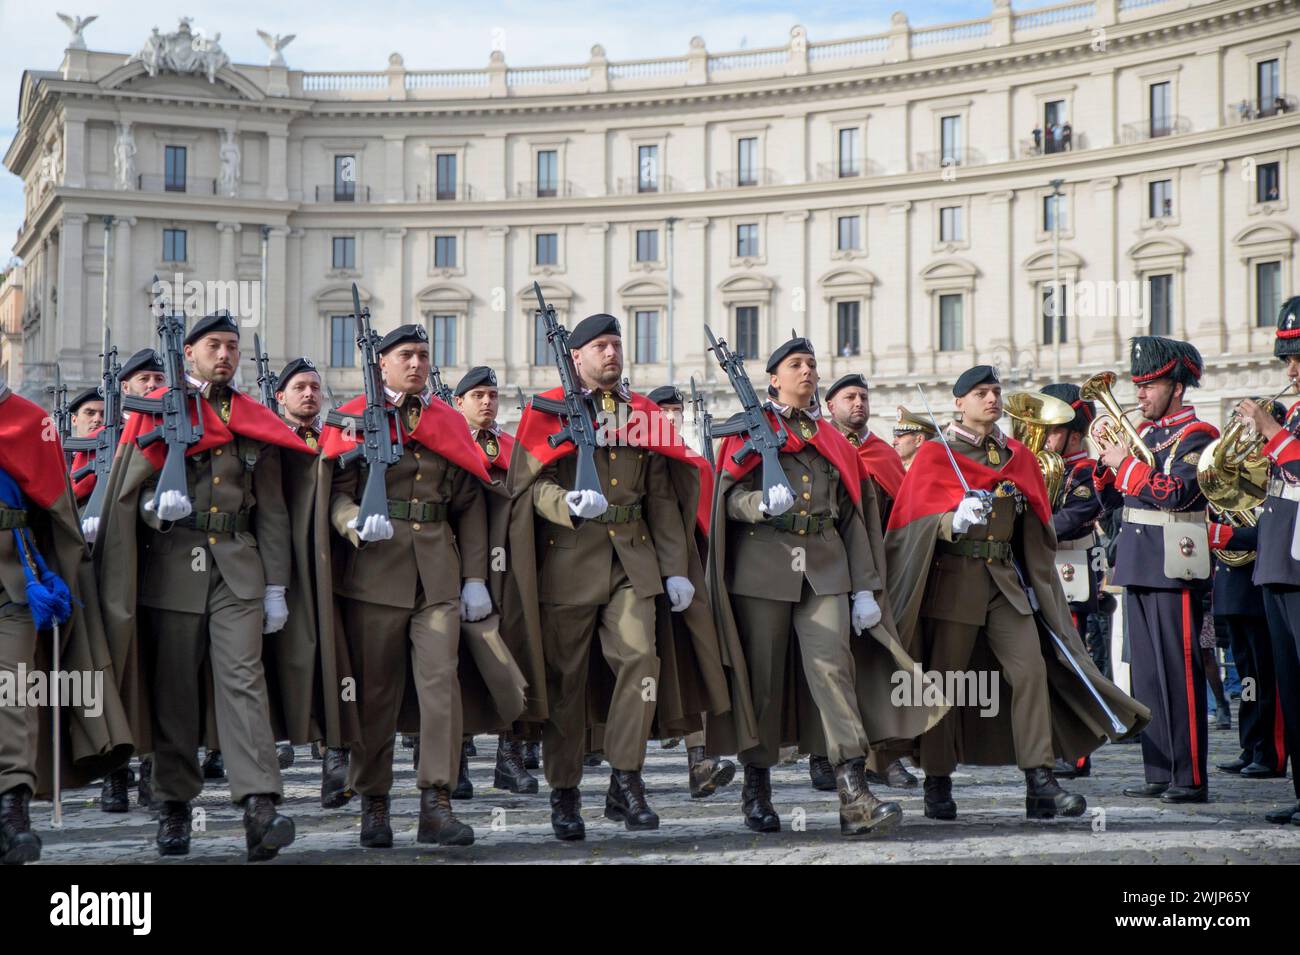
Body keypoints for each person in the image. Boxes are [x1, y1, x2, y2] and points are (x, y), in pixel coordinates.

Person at [504, 313, 732, 840]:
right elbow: (526, 489)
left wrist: (676, 571)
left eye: (617, 345)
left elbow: (662, 497)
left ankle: (626, 779)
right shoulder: (546, 412)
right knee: (567, 683)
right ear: (576, 356)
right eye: (600, 346)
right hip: (568, 564)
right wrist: (565, 502)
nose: (612, 353)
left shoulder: (642, 415)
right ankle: (564, 793)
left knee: (641, 662)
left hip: (634, 561)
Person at [705, 336, 943, 837]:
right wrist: (757, 506)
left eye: (812, 364)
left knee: (834, 671)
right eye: (796, 365)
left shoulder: (830, 438)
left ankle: (853, 792)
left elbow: (854, 515)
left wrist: (864, 587)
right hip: (763, 566)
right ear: (774, 379)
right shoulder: (749, 430)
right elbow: (725, 498)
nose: (808, 371)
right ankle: (757, 784)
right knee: (763, 682)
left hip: (827, 567)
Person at [887, 365, 1148, 821]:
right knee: (946, 684)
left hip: (1006, 582)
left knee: (1030, 674)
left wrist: (1025, 514)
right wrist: (952, 521)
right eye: (981, 393)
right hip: (954, 583)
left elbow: (1039, 526)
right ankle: (937, 779)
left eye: (995, 391)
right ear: (959, 403)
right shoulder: (935, 455)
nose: (992, 399)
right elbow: (907, 528)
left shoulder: (1016, 456)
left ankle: (1040, 780)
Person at [96, 310, 309, 860]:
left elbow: (273, 511)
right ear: (188, 353)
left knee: (244, 684)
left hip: (239, 569)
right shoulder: (155, 411)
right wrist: (156, 513)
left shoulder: (251, 417)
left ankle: (260, 805)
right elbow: (128, 496)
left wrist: (276, 585)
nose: (225, 355)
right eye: (214, 346)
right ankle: (173, 808)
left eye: (233, 347)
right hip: (172, 569)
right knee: (175, 694)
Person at [318, 326, 522, 848]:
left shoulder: (445, 423)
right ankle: (375, 804)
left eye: (424, 356)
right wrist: (353, 523)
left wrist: (475, 577)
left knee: (440, 690)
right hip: (373, 575)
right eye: (405, 355)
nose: (416, 364)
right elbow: (334, 494)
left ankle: (437, 802)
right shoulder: (354, 418)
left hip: (437, 577)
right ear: (381, 363)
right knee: (376, 694)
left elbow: (470, 503)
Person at [0, 384, 132, 864]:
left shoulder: (27, 421)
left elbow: (55, 510)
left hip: (13, 582)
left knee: (14, 692)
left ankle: (12, 808)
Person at [1095, 336, 1218, 804]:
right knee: (1147, 674)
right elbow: (1112, 502)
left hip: (1174, 561)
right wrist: (1108, 470)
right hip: (1139, 561)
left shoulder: (1197, 435)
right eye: (1139, 385)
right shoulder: (1144, 438)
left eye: (1150, 385)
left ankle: (1189, 777)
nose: (1140, 394)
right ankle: (1160, 768)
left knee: (1179, 672)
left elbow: (1179, 493)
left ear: (1177, 387)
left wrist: (1125, 466)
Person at [1209, 296, 1300, 824]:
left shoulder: (1288, 423)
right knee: (1287, 684)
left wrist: (1269, 430)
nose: (1290, 371)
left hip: (1293, 566)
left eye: (1297, 359)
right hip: (1276, 565)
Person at [270, 357, 358, 809]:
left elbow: (344, 492)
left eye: (314, 388)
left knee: (333, 658)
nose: (309, 394)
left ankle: (335, 756)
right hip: (276, 566)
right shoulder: (267, 440)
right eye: (300, 387)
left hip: (327, 564)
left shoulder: (336, 440)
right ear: (281, 396)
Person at [453, 365, 544, 798]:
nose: (487, 402)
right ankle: (453, 761)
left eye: (492, 395)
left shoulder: (511, 448)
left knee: (513, 652)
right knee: (455, 660)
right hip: (455, 563)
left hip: (506, 564)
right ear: (459, 403)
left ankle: (509, 758)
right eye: (477, 396)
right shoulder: (446, 444)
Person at [823, 372, 916, 791]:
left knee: (880, 661)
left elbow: (904, 512)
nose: (858, 403)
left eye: (863, 396)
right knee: (827, 663)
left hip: (876, 570)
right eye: (849, 397)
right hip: (825, 566)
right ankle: (823, 755)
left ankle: (887, 757)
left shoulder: (882, 453)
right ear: (830, 405)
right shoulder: (818, 444)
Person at [646, 383, 738, 799]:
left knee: (695, 665)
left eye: (674, 411)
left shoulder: (696, 462)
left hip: (692, 572)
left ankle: (699, 762)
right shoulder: (640, 458)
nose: (669, 418)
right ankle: (621, 776)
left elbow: (711, 523)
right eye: (661, 411)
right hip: (642, 575)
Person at [1040, 382, 1108, 779]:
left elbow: (1075, 515)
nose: (1046, 438)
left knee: (1075, 663)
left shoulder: (1084, 470)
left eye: (1053, 430)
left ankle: (1078, 753)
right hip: (1046, 573)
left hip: (1072, 573)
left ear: (1074, 434)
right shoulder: (1047, 465)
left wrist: (1033, 528)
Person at [892, 406, 936, 471]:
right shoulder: (896, 470)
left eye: (900, 436)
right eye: (895, 437)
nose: (893, 442)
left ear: (919, 440)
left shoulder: (928, 471)